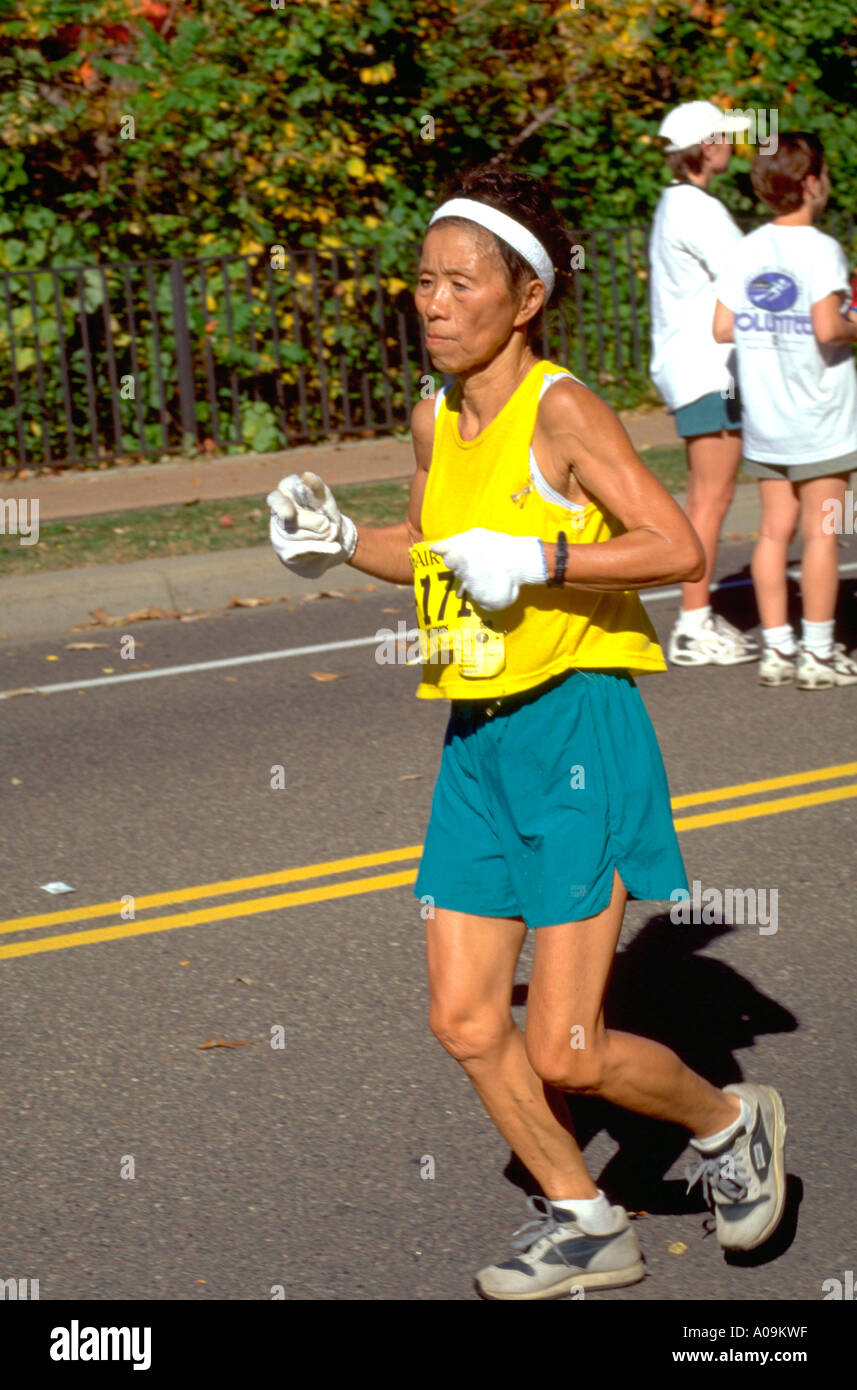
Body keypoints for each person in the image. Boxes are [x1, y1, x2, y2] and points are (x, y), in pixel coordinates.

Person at [267, 164, 787, 1300]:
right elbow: (431, 544)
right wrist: (340, 539)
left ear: (524, 296)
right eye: (421, 281)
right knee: (463, 1017)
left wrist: (544, 557)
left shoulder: (561, 409)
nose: (434, 302)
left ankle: (729, 1121)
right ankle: (583, 1217)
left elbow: (675, 548)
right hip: (475, 743)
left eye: (460, 283)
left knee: (562, 1048)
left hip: (575, 733)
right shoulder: (433, 414)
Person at [714, 131, 857, 688]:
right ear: (812, 182)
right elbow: (828, 327)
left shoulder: (746, 249)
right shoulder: (822, 249)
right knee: (823, 535)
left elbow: (722, 326)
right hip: (819, 416)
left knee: (774, 533)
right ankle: (818, 653)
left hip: (767, 420)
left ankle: (777, 648)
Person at [649, 100, 760, 667]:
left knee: (707, 499)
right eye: (725, 138)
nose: (732, 146)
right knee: (711, 501)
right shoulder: (698, 210)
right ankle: (692, 624)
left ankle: (697, 616)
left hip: (697, 369)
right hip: (709, 372)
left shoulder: (680, 205)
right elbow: (752, 278)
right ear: (707, 145)